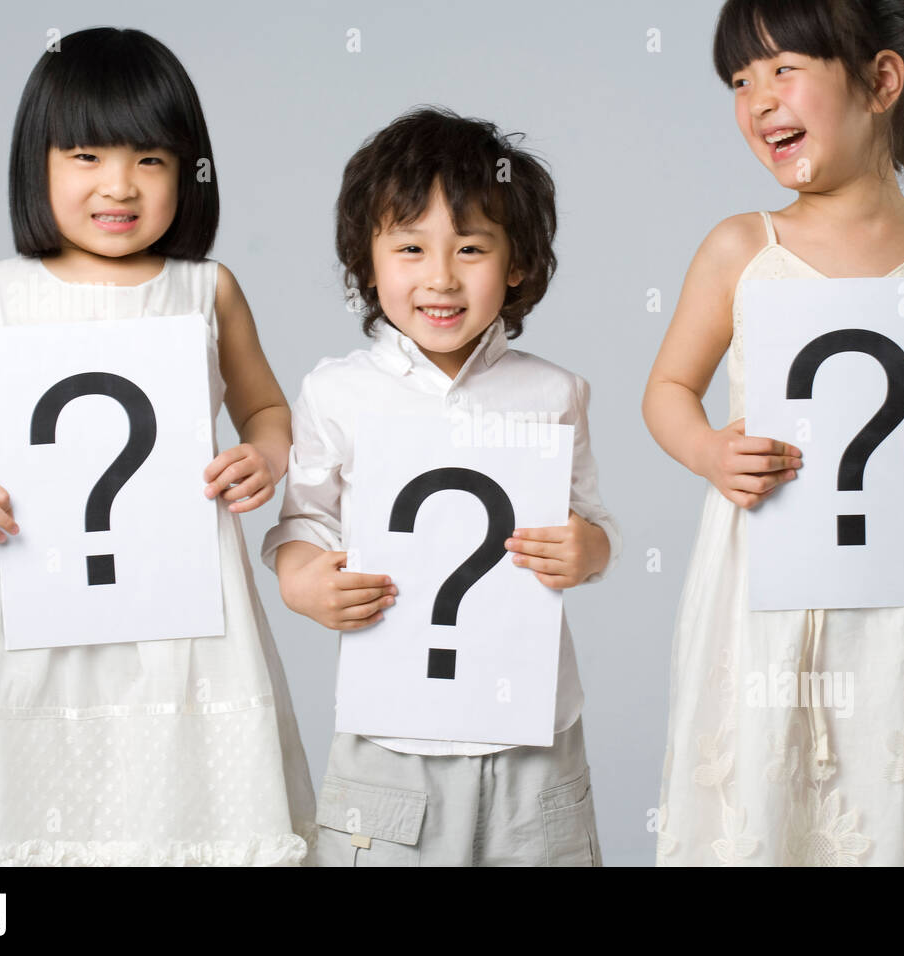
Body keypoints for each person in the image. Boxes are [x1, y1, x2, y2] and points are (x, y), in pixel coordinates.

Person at [643, 0, 904, 865]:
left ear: (881, 81)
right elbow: (669, 391)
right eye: (739, 81)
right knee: (762, 788)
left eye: (783, 68)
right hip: (771, 582)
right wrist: (711, 450)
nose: (757, 100)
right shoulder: (739, 249)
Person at [0, 27, 314, 865]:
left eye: (151, 159)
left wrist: (265, 458)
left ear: (190, 170)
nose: (118, 185)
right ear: (38, 162)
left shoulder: (206, 290)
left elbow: (267, 408)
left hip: (184, 597)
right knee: (44, 786)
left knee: (186, 791)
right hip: (38, 593)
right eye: (86, 156)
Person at [264, 106, 620, 866]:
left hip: (534, 740)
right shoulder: (337, 392)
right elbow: (303, 522)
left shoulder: (556, 393)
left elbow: (594, 523)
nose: (440, 277)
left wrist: (587, 549)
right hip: (389, 744)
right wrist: (303, 581)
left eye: (470, 247)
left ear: (517, 261)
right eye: (410, 248)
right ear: (368, 260)